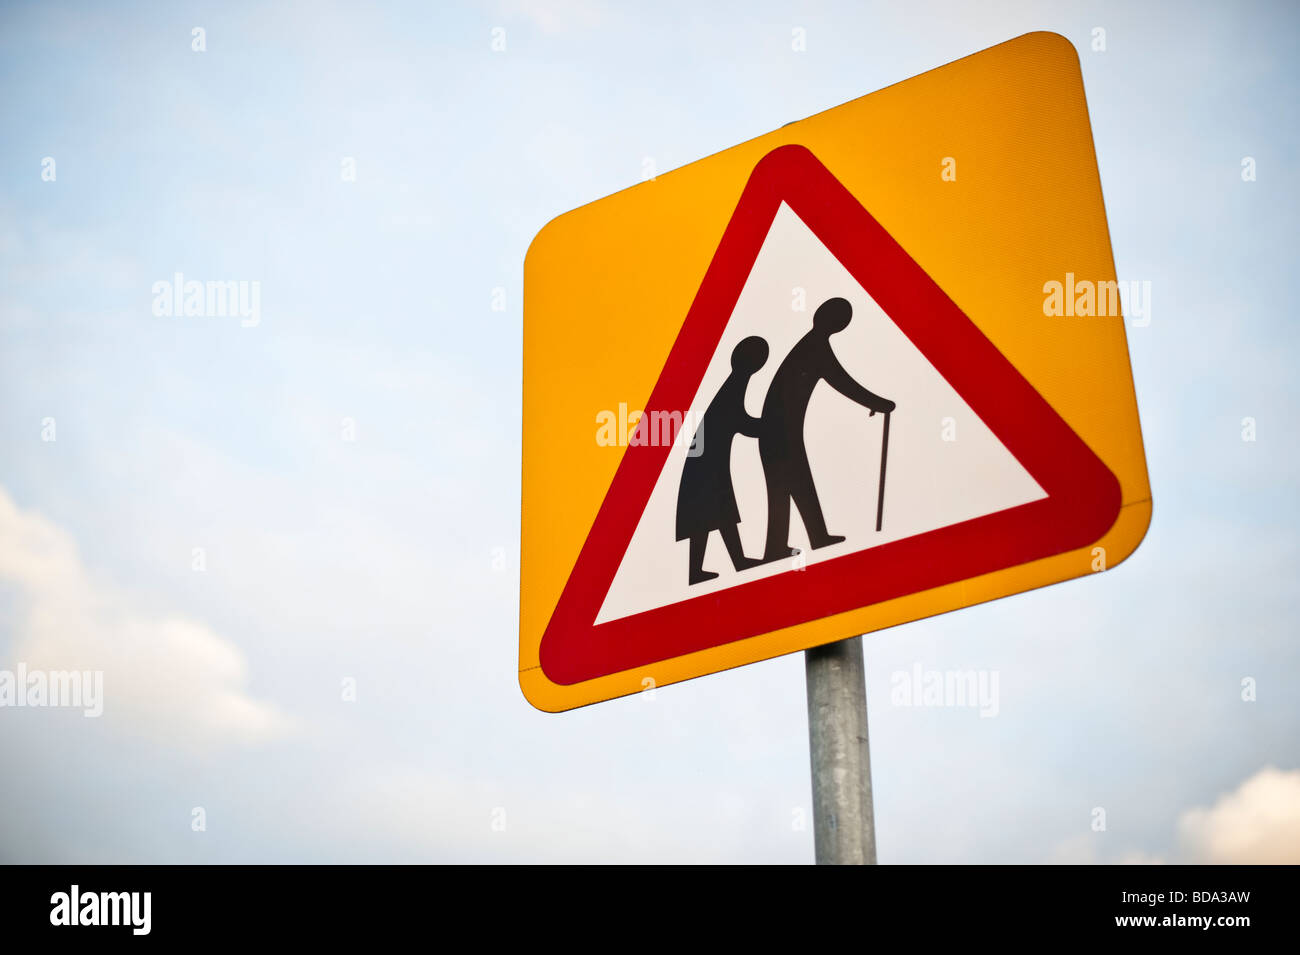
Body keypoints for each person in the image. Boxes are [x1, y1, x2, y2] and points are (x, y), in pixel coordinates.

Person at [759, 297, 895, 563]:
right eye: (840, 318)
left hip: (777, 431)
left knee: (790, 484)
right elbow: (843, 382)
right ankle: (808, 539)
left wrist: (877, 404)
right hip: (781, 433)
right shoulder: (815, 348)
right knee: (792, 483)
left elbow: (840, 381)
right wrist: (880, 403)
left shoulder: (810, 345)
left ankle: (793, 542)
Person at [676, 336, 768, 584]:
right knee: (709, 514)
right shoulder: (736, 384)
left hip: (707, 461)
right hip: (707, 463)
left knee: (717, 513)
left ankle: (733, 563)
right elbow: (740, 420)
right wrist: (770, 425)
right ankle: (702, 570)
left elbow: (738, 419)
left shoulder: (734, 382)